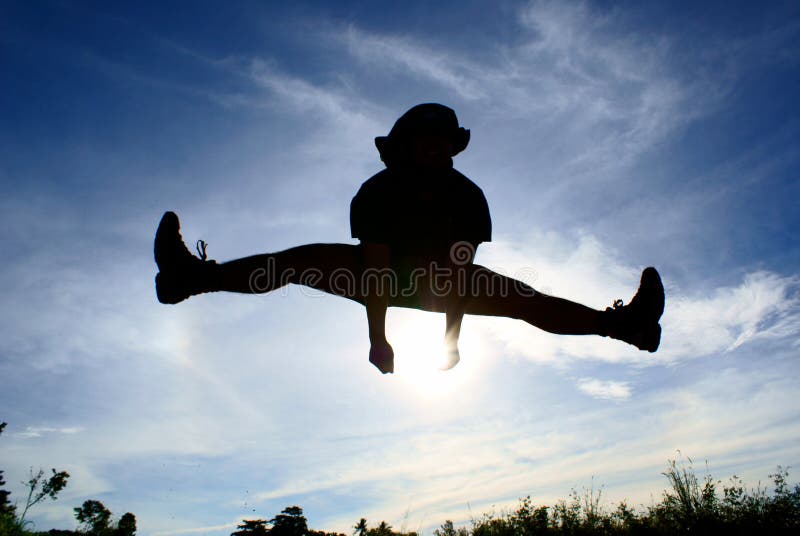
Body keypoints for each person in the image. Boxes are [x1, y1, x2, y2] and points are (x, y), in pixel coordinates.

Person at [154, 103, 665, 374]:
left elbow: (461, 277)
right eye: (425, 140)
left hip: (443, 282)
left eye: (444, 141)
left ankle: (627, 327)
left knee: (526, 302)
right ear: (404, 147)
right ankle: (189, 279)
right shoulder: (377, 191)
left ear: (452, 148)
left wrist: (450, 342)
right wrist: (378, 338)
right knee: (294, 261)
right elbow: (375, 269)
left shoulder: (469, 196)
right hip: (379, 272)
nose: (435, 148)